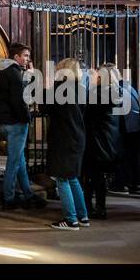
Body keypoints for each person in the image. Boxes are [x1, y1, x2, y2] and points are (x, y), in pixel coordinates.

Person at [0, 43, 44, 210]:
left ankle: (28, 194)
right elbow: (19, 100)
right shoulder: (14, 74)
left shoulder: (1, 73)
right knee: (13, 162)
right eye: (26, 55)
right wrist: (27, 117)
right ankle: (9, 198)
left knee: (20, 159)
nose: (28, 59)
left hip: (3, 122)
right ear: (16, 57)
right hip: (16, 123)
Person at [46, 58, 89, 230]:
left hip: (62, 138)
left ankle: (71, 220)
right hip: (78, 137)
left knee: (61, 178)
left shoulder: (58, 89)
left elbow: (44, 108)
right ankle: (83, 216)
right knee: (73, 178)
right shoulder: (82, 89)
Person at [81, 64, 121, 219]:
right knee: (98, 176)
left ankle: (93, 207)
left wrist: (89, 86)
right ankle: (98, 206)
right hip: (106, 138)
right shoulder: (112, 91)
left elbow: (86, 113)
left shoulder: (99, 93)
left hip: (96, 139)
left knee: (92, 176)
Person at [111, 70, 140, 194]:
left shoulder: (118, 89)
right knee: (134, 157)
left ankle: (121, 184)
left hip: (126, 126)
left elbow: (116, 110)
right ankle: (136, 183)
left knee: (122, 156)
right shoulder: (129, 86)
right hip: (135, 126)